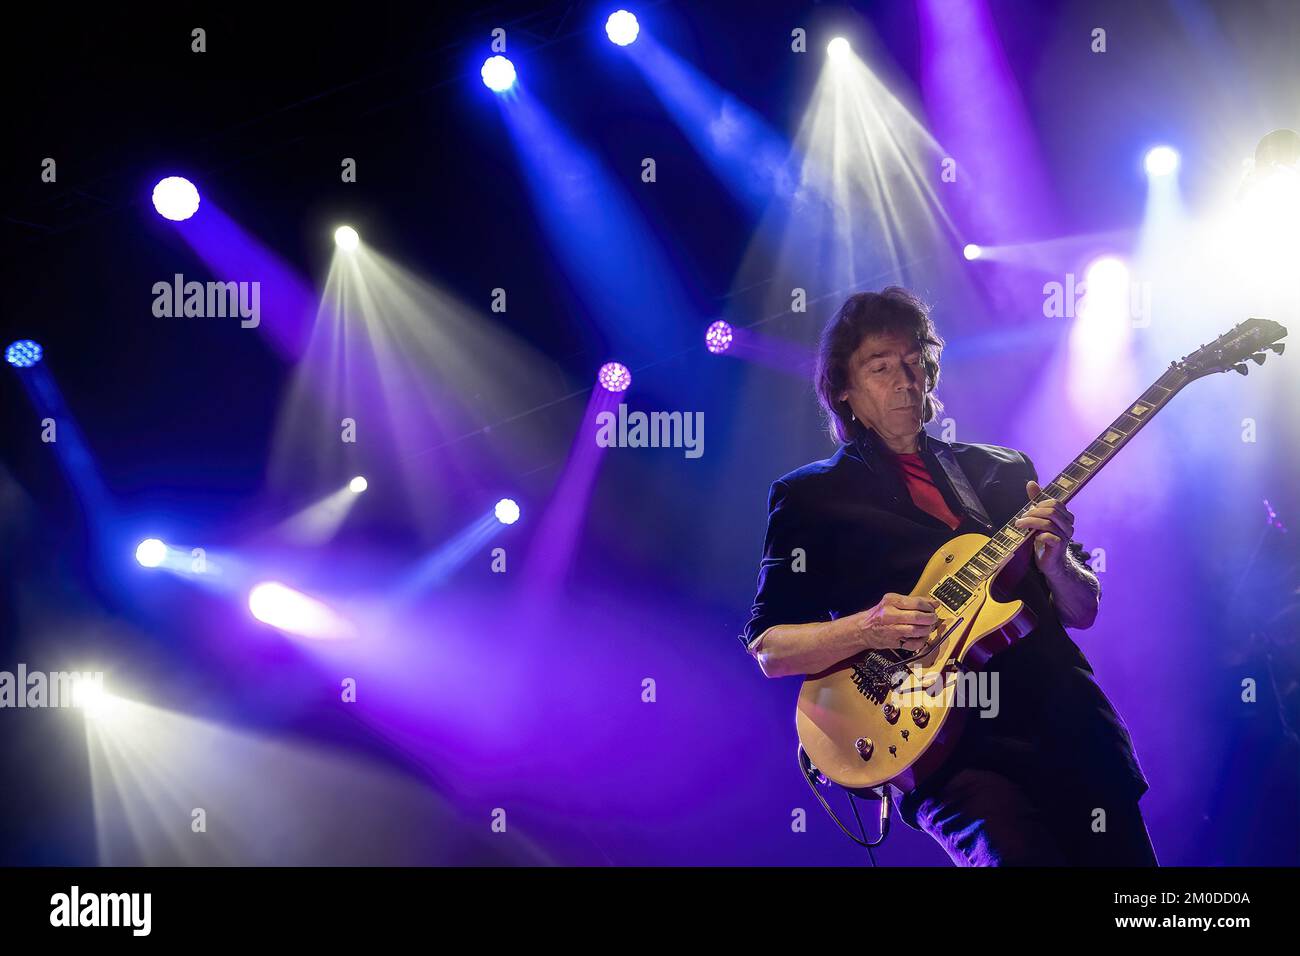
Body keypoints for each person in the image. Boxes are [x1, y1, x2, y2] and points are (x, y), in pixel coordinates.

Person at [742, 287, 1156, 866]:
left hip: (1073, 731)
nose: (905, 380)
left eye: (914, 362)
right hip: (954, 755)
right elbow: (772, 648)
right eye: (881, 367)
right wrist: (868, 628)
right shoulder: (811, 497)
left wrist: (1056, 564)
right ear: (846, 394)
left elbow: (1082, 611)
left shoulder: (1003, 470)